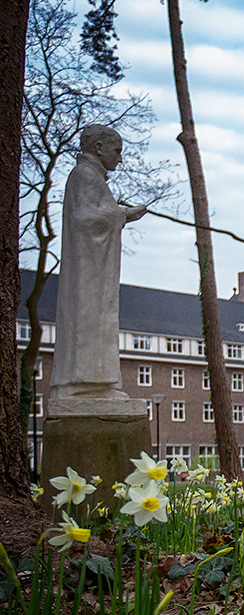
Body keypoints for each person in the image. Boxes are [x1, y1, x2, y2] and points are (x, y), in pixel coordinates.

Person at [49, 125, 147, 406]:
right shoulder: (85, 176)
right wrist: (122, 214)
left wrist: (121, 215)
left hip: (94, 269)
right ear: (99, 147)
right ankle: (82, 383)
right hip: (87, 273)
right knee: (89, 318)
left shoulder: (91, 177)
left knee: (97, 319)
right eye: (117, 151)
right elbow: (84, 219)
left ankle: (97, 382)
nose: (120, 158)